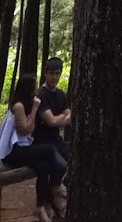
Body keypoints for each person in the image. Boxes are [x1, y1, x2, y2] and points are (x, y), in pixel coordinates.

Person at [0, 73, 67, 221]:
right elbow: (26, 129)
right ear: (27, 89)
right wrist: (36, 108)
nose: (36, 89)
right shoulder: (18, 106)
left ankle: (40, 207)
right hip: (13, 151)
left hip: (23, 148)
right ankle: (59, 178)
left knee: (43, 166)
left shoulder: (27, 104)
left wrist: (33, 113)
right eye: (34, 87)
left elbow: (31, 128)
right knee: (48, 150)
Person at [35, 58, 71, 166]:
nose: (54, 77)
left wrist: (57, 119)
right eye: (51, 73)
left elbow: (70, 117)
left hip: (56, 139)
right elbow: (52, 122)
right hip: (41, 141)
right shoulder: (41, 94)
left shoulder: (60, 94)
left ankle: (55, 182)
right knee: (61, 166)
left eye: (57, 73)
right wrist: (62, 117)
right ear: (45, 73)